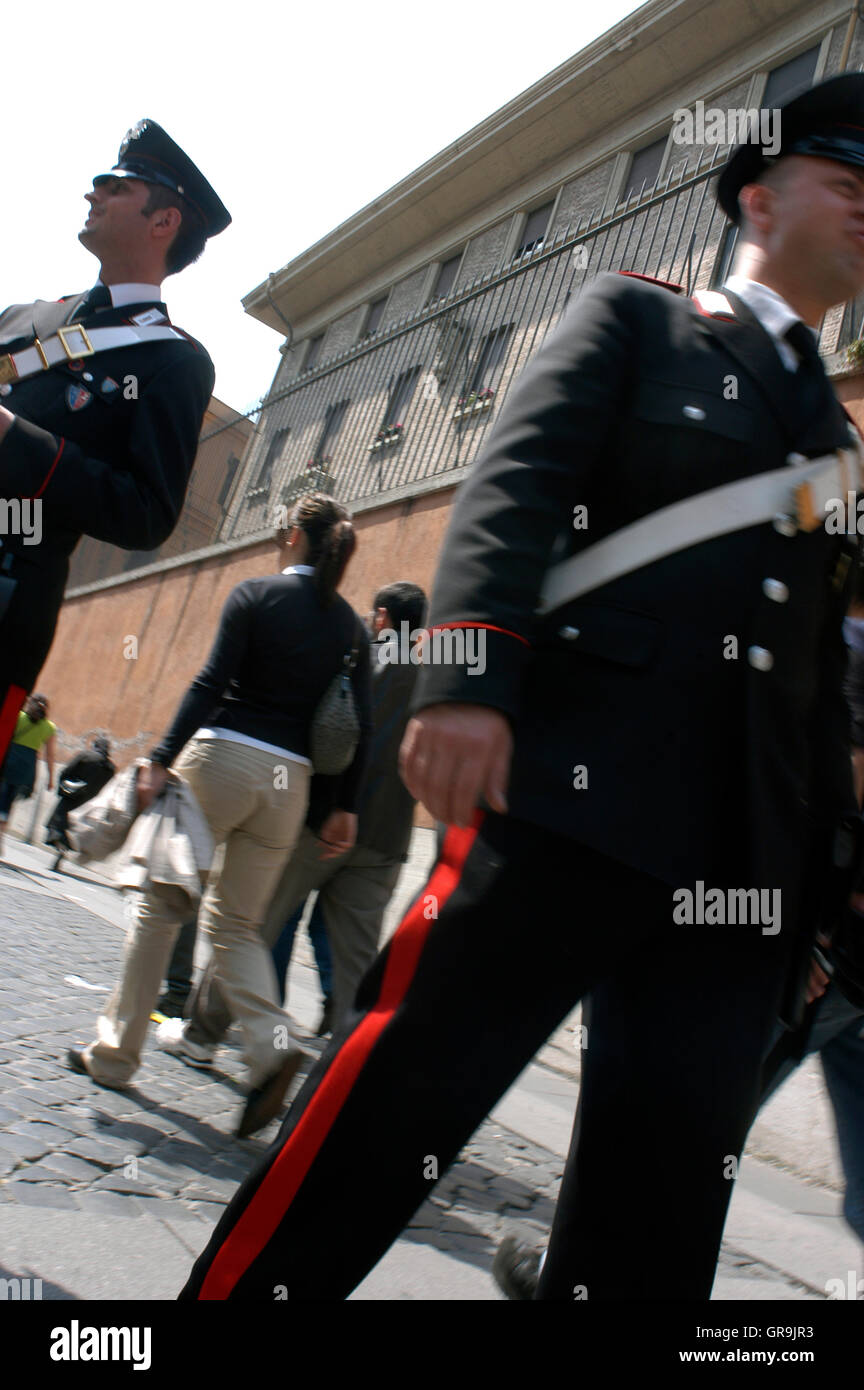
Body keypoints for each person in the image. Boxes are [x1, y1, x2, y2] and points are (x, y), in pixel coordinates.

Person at [179, 74, 864, 1301]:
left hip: (737, 867)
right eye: (850, 185)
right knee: (397, 1102)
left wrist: (821, 883)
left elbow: (808, 682)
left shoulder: (834, 441)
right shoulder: (637, 323)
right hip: (566, 788)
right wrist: (466, 679)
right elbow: (516, 488)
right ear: (756, 196)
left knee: (661, 1205)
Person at [67, 495, 372, 1140]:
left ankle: (116, 1057)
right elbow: (359, 727)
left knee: (159, 904)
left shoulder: (255, 595)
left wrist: (159, 757)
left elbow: (209, 683)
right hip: (289, 789)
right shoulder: (350, 628)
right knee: (237, 925)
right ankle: (270, 1045)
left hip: (222, 759)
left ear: (291, 535)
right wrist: (343, 806)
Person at [0, 118, 230, 768]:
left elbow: (147, 512)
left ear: (164, 222)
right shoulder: (21, 319)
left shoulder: (173, 362)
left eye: (115, 185)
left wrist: (18, 441)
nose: (92, 193)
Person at [160, 580, 426, 1066]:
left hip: (323, 824)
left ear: (383, 617)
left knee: (249, 926)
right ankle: (348, 1075)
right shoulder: (438, 680)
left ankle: (201, 1037)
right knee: (356, 966)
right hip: (389, 840)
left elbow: (328, 731)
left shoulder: (363, 661)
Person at [44, 735, 115, 868]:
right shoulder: (110, 768)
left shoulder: (86, 756)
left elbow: (66, 771)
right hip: (89, 803)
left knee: (58, 823)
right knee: (73, 828)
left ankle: (60, 848)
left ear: (95, 745)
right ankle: (64, 850)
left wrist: (62, 788)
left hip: (72, 796)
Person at [0, 693, 56, 857]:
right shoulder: (49, 727)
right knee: (7, 805)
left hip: (8, 760)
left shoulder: (18, 716)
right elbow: (50, 755)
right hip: (26, 767)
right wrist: (51, 778)